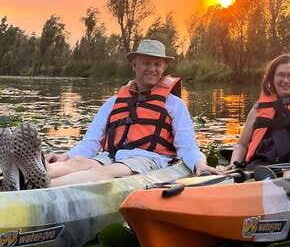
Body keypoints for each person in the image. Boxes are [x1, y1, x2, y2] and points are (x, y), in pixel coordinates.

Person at [0, 39, 220, 191]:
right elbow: (91, 142)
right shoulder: (113, 103)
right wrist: (66, 156)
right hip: (110, 155)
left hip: (147, 160)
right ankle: (29, 172)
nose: (152, 69)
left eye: (157, 64)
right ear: (135, 64)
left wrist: (198, 164)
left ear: (163, 67)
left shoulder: (174, 104)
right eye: (146, 63)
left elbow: (187, 145)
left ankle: (41, 185)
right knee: (79, 162)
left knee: (107, 173)